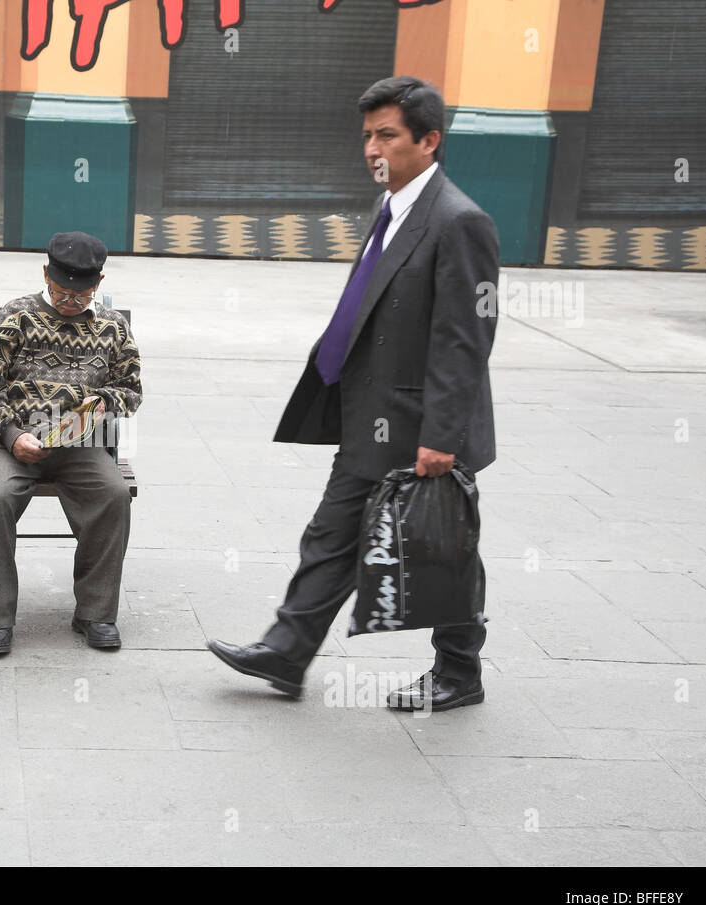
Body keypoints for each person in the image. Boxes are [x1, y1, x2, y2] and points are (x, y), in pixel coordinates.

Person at [207, 76, 500, 711]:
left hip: (420, 423)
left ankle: (459, 671)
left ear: (429, 141)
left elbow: (466, 339)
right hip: (372, 415)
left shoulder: (459, 221)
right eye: (368, 135)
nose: (373, 147)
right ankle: (287, 652)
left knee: (442, 546)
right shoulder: (391, 206)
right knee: (333, 534)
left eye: (387, 135)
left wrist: (441, 439)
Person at [0, 231, 142, 655]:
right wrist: (12, 435)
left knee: (114, 494)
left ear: (98, 284)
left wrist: (101, 405)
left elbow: (131, 389)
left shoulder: (112, 327)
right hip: (11, 436)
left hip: (79, 442)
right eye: (61, 292)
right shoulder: (18, 315)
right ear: (45, 274)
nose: (69, 302)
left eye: (79, 296)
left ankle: (95, 613)